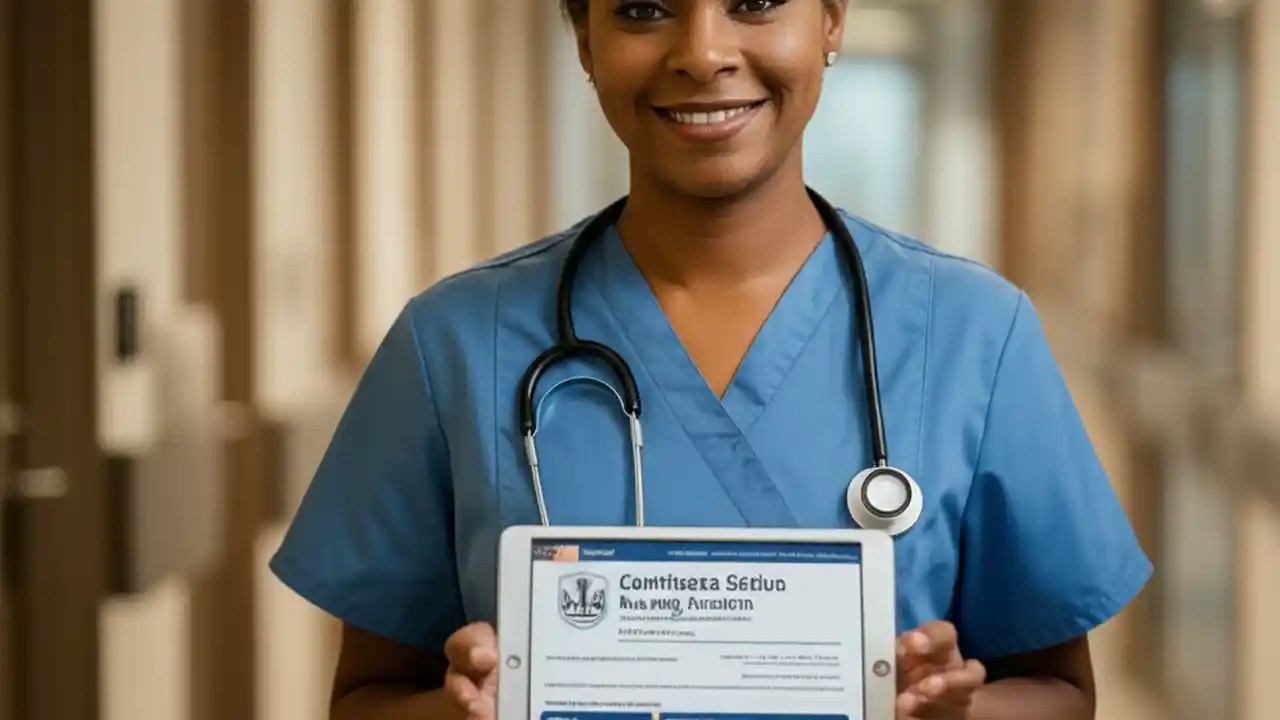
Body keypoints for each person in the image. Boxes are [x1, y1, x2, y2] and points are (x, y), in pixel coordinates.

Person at [269, 1, 1152, 718]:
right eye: (645, 9)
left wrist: (955, 712)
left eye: (757, 2)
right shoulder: (457, 340)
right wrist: (457, 712)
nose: (702, 50)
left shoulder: (974, 333)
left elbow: (1062, 690)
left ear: (833, 19)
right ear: (584, 39)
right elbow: (367, 696)